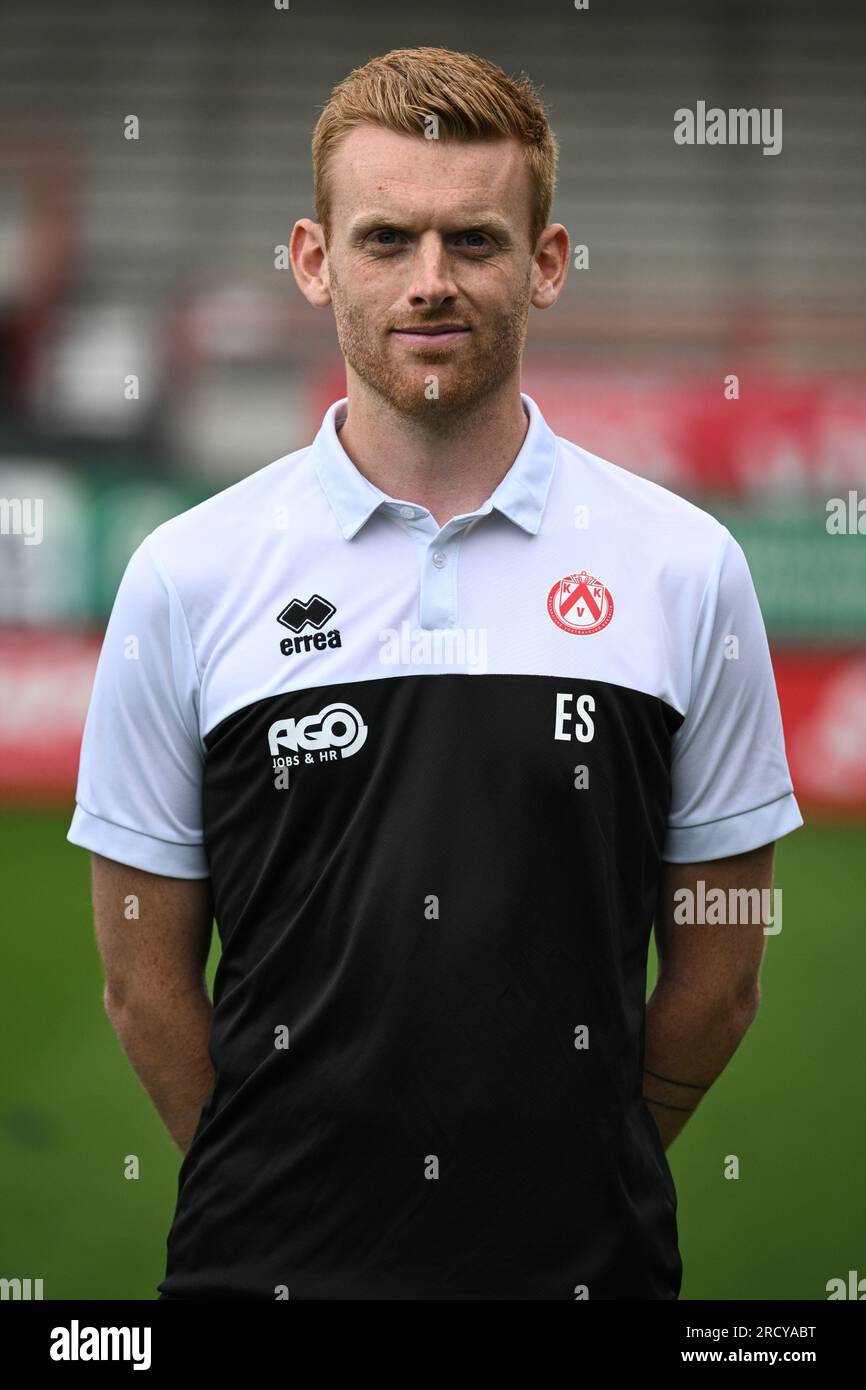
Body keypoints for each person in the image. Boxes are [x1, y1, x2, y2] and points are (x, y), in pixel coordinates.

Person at [67, 46, 803, 1300]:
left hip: (584, 1269)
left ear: (546, 262)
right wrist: (290, 1188)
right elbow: (142, 979)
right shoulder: (186, 574)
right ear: (312, 261)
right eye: (384, 239)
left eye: (472, 239)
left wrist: (588, 1162)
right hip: (263, 1270)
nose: (429, 282)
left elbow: (722, 966)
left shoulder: (685, 566)